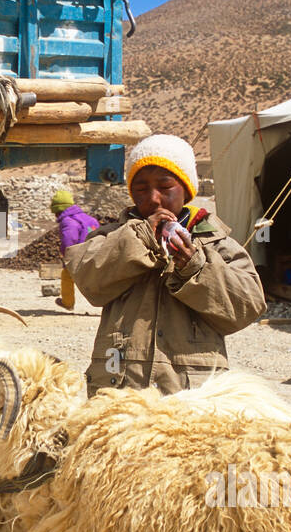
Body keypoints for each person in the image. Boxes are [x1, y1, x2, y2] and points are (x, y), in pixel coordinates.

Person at [64, 133, 266, 393]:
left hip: (191, 393)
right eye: (141, 188)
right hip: (122, 387)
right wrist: (140, 240)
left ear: (186, 189)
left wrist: (196, 267)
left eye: (165, 186)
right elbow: (88, 279)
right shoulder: (110, 237)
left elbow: (247, 307)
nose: (154, 198)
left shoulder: (215, 242)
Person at [49, 189, 100, 310]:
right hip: (96, 253)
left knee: (67, 276)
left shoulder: (68, 221)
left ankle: (68, 302)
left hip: (79, 256)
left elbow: (69, 240)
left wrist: (66, 256)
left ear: (58, 210)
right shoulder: (90, 219)